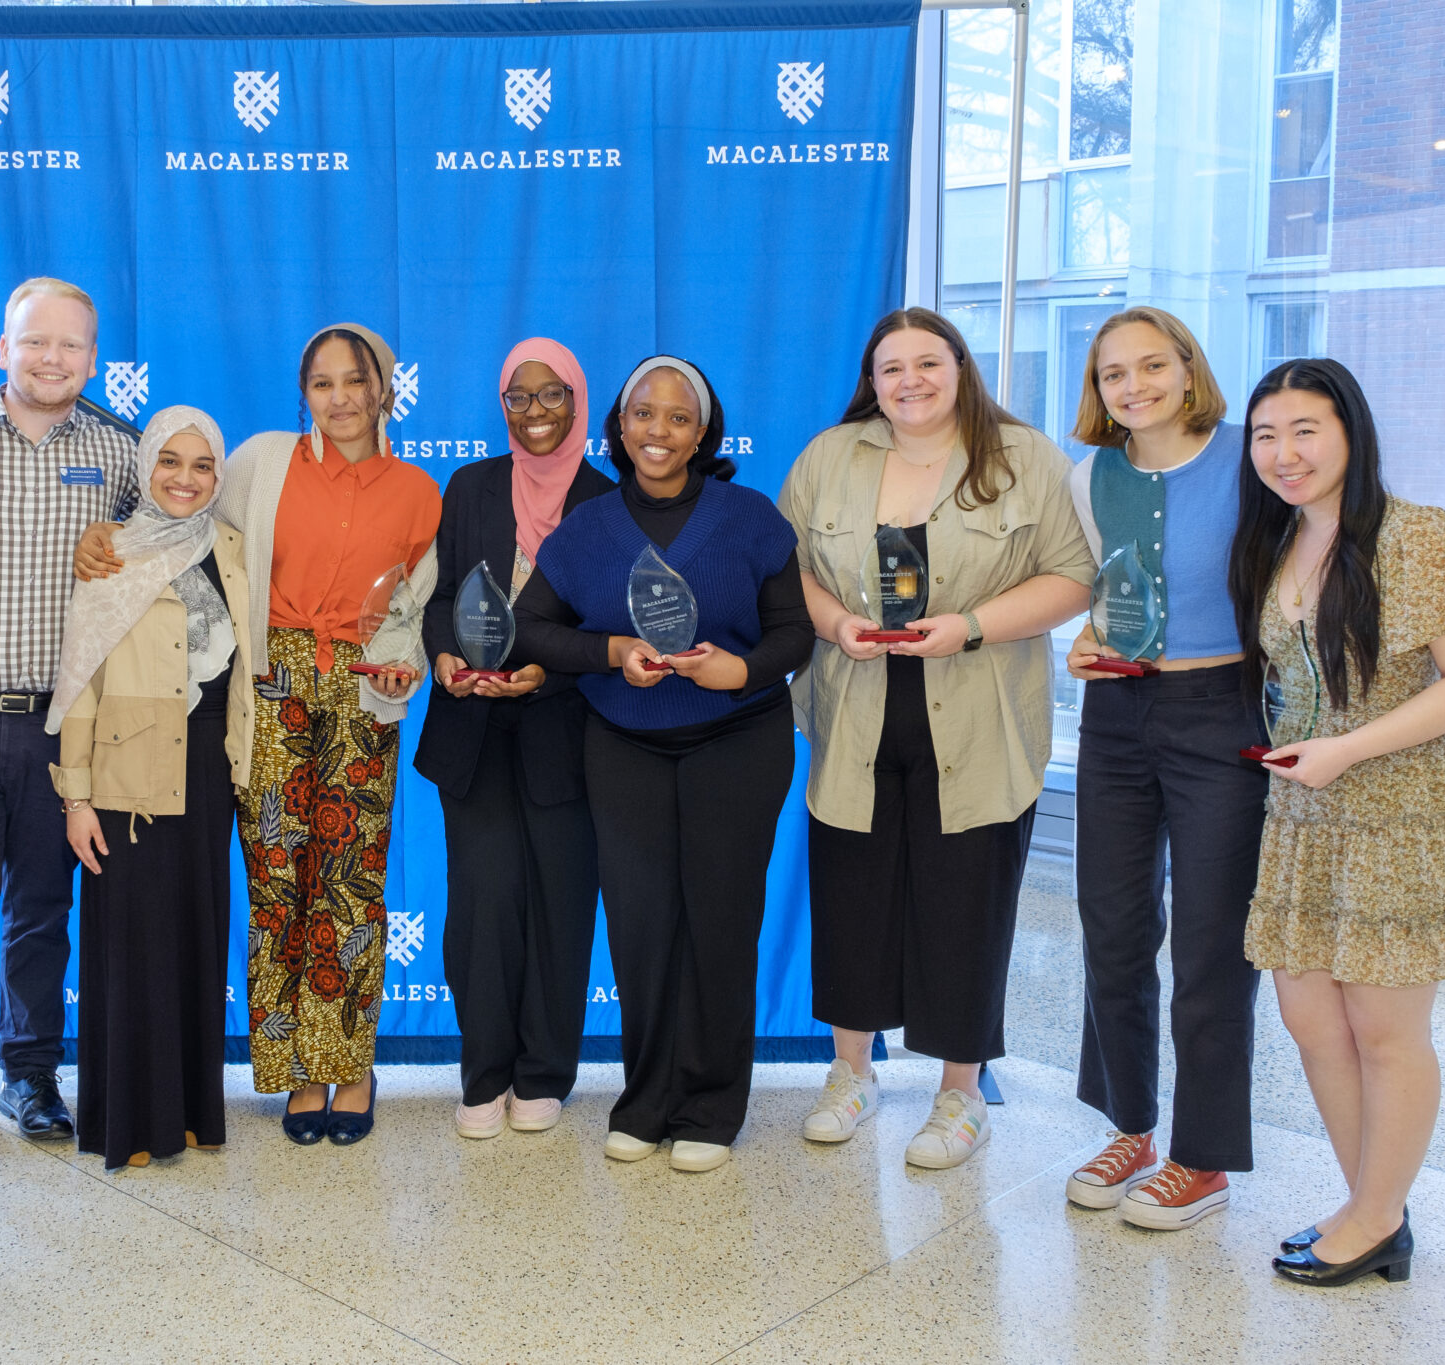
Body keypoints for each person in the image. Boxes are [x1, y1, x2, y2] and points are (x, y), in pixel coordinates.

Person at [83, 324, 440, 1145]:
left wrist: (402, 660)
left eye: (357, 380)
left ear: (386, 387)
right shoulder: (260, 461)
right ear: (303, 392)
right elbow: (188, 525)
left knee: (349, 881)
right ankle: (293, 1070)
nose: (341, 397)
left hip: (357, 692)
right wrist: (106, 535)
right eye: (322, 382)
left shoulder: (420, 491)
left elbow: (418, 605)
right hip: (267, 687)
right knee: (279, 878)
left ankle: (349, 1063)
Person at [779, 308, 1093, 1171]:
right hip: (857, 708)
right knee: (852, 896)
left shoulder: (1025, 459)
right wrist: (836, 619)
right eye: (891, 368)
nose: (909, 381)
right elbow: (790, 569)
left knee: (968, 902)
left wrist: (976, 625)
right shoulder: (828, 457)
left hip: (980, 709)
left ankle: (959, 1091)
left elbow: (1074, 577)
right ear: (870, 379)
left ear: (960, 365)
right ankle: (851, 1073)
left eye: (928, 362)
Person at [1230, 358, 1445, 1286]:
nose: (1285, 452)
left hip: (1401, 815)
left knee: (1387, 1031)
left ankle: (1375, 1213)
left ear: (1351, 431)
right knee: (1312, 1022)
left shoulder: (1414, 535)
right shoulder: (1275, 543)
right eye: (1266, 434)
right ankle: (1372, 1203)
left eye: (1306, 429)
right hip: (1305, 817)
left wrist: (1347, 748)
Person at [514, 354, 812, 1174]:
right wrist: (609, 651)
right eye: (644, 414)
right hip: (625, 748)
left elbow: (793, 632)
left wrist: (742, 670)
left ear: (704, 432)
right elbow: (530, 627)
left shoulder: (751, 518)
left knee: (719, 926)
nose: (659, 430)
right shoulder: (587, 529)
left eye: (679, 418)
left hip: (737, 743)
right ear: (617, 424)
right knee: (643, 929)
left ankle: (712, 1108)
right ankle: (644, 1102)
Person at [0, 278, 143, 1169]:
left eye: (72, 346)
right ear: (3, 347)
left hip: (63, 727)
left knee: (42, 916)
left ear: (95, 357)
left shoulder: (122, 454)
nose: (53, 359)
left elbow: (189, 526)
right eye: (35, 342)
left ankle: (34, 1076)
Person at [1058, 307, 1262, 1229]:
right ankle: (1130, 1126)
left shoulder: (1248, 462)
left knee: (1212, 940)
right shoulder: (1089, 475)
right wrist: (1089, 639)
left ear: (1188, 367)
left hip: (1222, 711)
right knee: (1112, 921)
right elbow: (1110, 593)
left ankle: (1203, 1155)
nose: (1132, 387)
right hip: (1117, 713)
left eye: (1151, 366)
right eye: (1112, 374)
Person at [414, 338, 612, 1140]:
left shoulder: (608, 499)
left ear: (578, 401)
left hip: (568, 737)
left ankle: (543, 1072)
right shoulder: (469, 488)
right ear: (502, 406)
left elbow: (614, 628)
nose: (535, 413)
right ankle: (484, 1071)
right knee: (484, 906)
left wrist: (549, 675)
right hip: (474, 732)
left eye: (552, 395)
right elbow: (434, 598)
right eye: (518, 398)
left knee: (560, 910)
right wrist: (445, 658)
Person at [47, 406, 252, 1169]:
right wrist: (75, 796)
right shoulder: (112, 555)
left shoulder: (231, 549)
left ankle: (195, 1111)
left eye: (203, 466)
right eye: (172, 462)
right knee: (129, 943)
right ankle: (130, 1121)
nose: (187, 480)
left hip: (208, 767)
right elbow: (80, 682)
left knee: (196, 934)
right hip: (125, 775)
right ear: (144, 468)